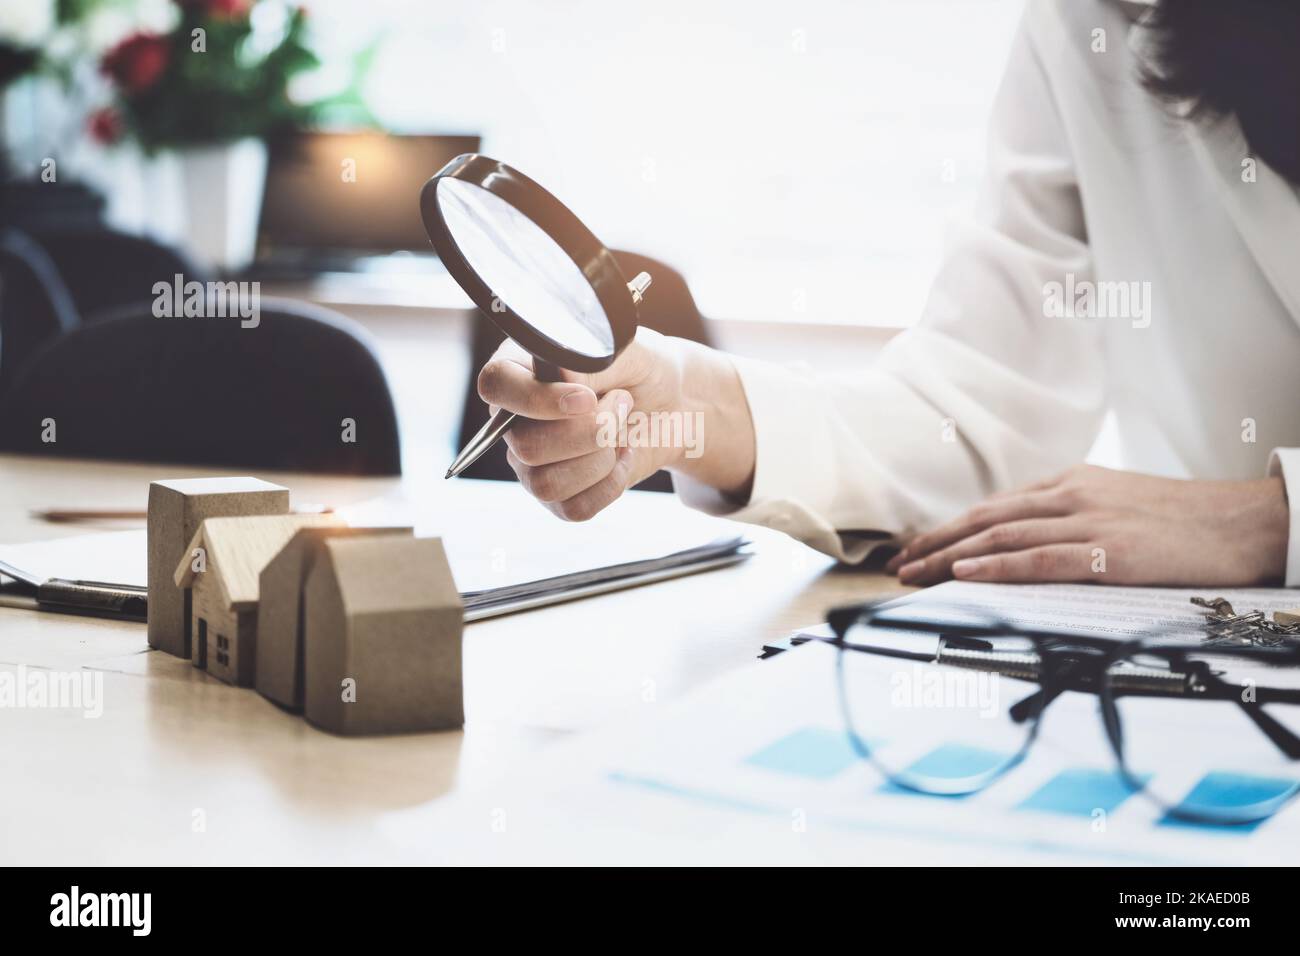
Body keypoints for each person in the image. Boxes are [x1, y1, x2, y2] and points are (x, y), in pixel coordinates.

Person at [476, 0, 1300, 589]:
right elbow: (976, 422)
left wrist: (1271, 520)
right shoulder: (1086, 23)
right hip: (1224, 658)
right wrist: (688, 402)